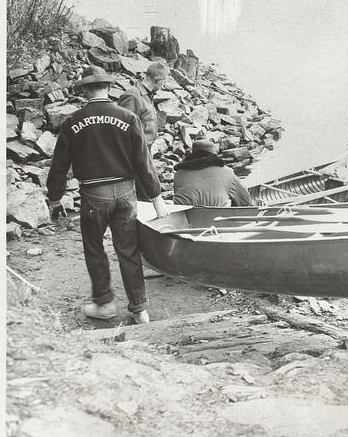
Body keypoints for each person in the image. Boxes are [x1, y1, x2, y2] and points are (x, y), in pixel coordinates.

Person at [46, 65, 170, 324]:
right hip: (126, 193)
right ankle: (140, 309)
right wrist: (157, 200)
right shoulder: (128, 118)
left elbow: (59, 165)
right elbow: (143, 163)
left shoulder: (72, 122)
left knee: (95, 248)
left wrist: (55, 198)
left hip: (94, 195)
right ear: (108, 88)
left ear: (85, 90)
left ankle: (104, 304)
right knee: (128, 250)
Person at [118, 60, 170, 200]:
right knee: (145, 198)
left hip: (144, 154)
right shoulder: (132, 96)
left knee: (147, 196)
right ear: (158, 79)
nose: (163, 86)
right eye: (163, 82)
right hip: (134, 157)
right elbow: (122, 130)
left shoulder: (147, 96)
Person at [173, 138, 253, 207]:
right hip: (215, 218)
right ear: (214, 154)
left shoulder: (179, 173)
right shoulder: (227, 172)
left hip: (184, 218)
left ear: (192, 153)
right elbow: (245, 200)